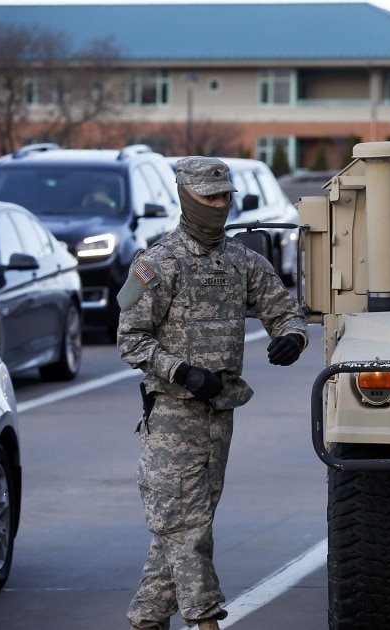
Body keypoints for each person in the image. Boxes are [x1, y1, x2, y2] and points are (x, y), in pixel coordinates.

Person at [115, 156, 308, 630]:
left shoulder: (242, 261)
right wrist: (180, 371)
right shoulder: (158, 264)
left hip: (220, 414)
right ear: (186, 198)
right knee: (187, 527)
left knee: (184, 523)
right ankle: (205, 619)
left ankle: (146, 621)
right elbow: (130, 337)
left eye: (225, 198)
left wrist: (292, 337)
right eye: (210, 198)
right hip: (172, 415)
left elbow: (285, 310)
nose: (220, 206)